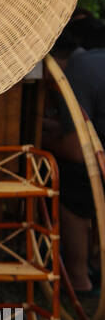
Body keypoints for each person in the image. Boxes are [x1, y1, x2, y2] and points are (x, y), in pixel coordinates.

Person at [44, 14, 105, 293]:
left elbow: (77, 149)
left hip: (95, 163)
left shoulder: (76, 71)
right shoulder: (95, 60)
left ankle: (79, 279)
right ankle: (96, 263)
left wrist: (43, 140)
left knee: (70, 180)